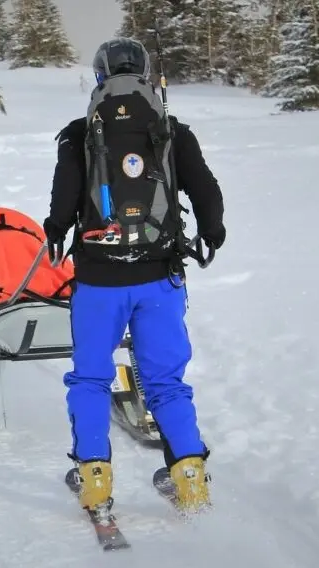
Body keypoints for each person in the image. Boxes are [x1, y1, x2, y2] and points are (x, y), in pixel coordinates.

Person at [42, 38, 226, 514]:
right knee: (165, 383)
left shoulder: (78, 132)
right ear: (146, 74)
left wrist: (57, 232)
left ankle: (95, 480)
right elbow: (205, 189)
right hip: (160, 276)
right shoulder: (172, 130)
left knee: (90, 379)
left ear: (100, 75)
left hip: (98, 280)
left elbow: (64, 199)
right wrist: (211, 231)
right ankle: (189, 478)